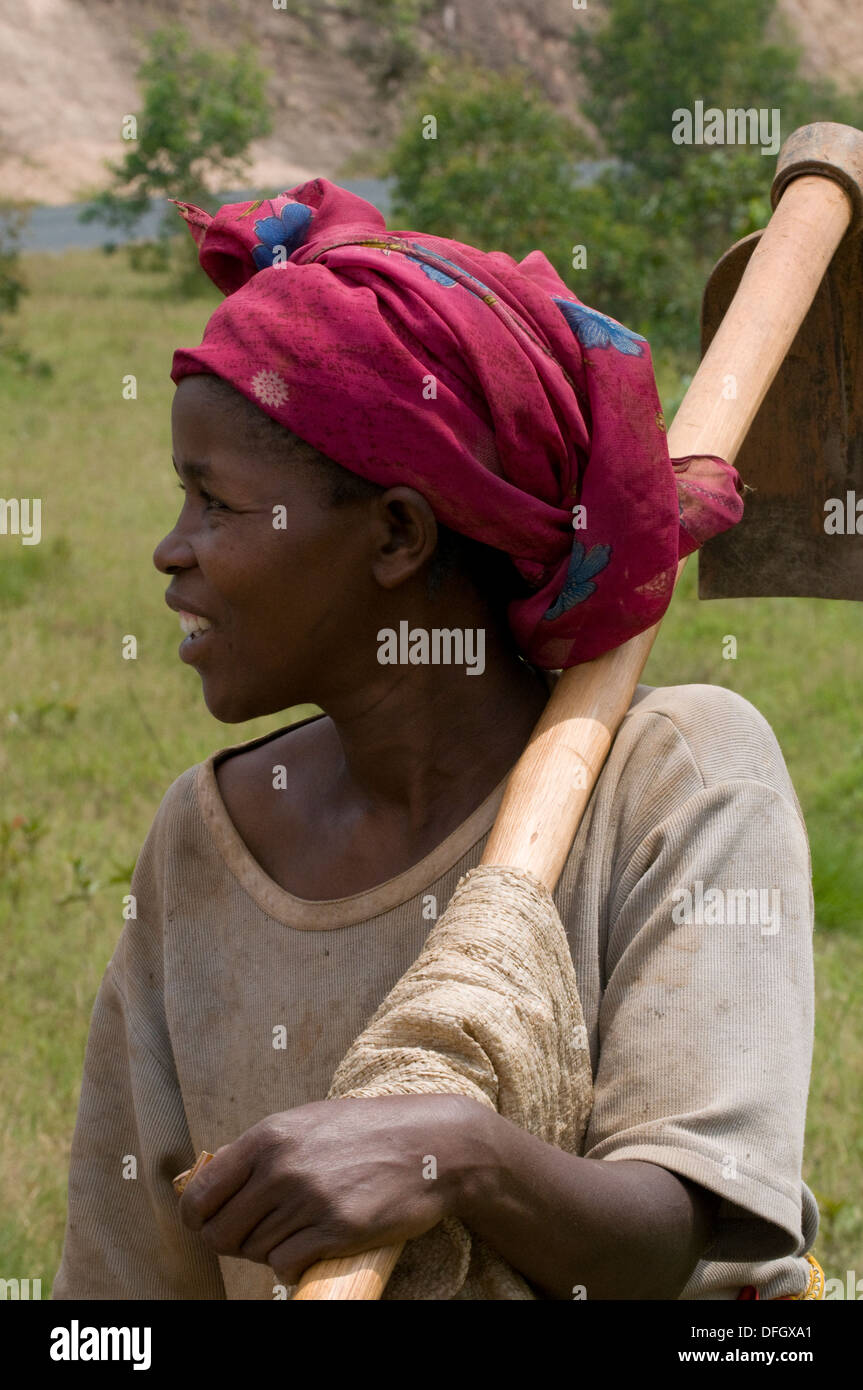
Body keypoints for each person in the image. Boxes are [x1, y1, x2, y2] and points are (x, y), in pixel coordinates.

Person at [53, 180, 820, 1301]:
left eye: (214, 504)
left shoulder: (676, 776)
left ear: (398, 534)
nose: (172, 552)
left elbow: (683, 1229)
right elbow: (119, 1299)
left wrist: (453, 1155)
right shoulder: (202, 842)